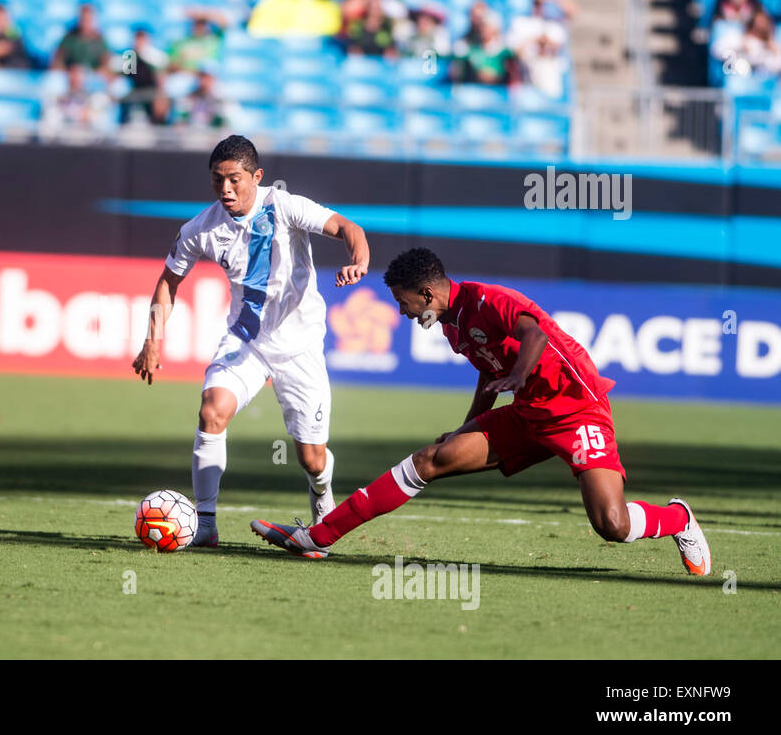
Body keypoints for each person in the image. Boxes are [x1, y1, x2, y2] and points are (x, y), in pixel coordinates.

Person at [252, 247, 711, 577]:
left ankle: (679, 519)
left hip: (576, 409)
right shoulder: (453, 325)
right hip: (526, 412)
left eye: (403, 301)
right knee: (433, 458)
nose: (402, 311)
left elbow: (535, 334)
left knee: (612, 525)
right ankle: (319, 537)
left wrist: (516, 378)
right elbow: (488, 370)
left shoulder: (489, 300)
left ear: (426, 292)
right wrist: (472, 421)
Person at [132, 135, 370, 547]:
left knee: (312, 459)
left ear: (257, 177)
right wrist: (153, 340)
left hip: (299, 346)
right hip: (246, 340)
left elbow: (348, 228)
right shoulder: (200, 229)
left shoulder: (286, 206)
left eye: (235, 180)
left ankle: (321, 498)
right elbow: (168, 282)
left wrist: (359, 261)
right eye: (217, 180)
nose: (226, 189)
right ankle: (205, 526)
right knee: (211, 413)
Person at [51, 2, 108, 72]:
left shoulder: (100, 40)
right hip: (70, 77)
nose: (85, 23)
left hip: (92, 78)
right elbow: (57, 61)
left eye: (88, 19)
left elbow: (106, 64)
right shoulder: (69, 38)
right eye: (83, 19)